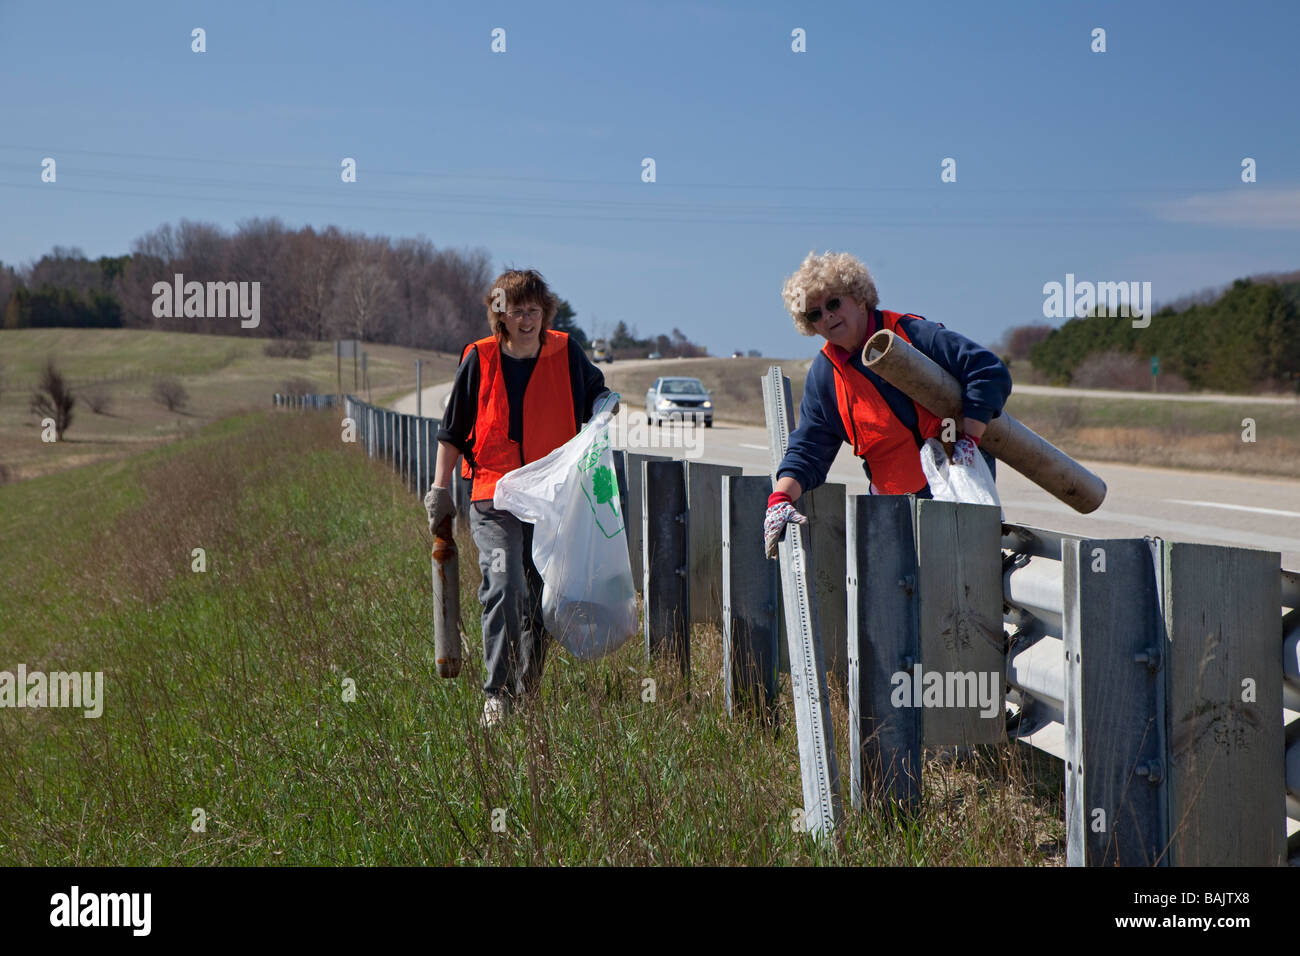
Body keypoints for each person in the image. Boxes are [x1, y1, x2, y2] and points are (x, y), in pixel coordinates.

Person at [424, 269, 618, 727]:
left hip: (550, 495)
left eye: (534, 310)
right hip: (494, 493)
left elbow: (597, 393)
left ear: (544, 313)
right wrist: (439, 490)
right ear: (500, 315)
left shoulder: (565, 351)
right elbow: (451, 431)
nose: (526, 319)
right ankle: (497, 694)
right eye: (516, 311)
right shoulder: (479, 357)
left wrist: (607, 404)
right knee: (505, 582)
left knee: (541, 596)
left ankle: (526, 693)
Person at [764, 250, 1012, 558]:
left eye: (833, 303)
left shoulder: (911, 334)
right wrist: (780, 500)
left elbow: (988, 372)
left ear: (859, 297)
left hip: (956, 498)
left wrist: (968, 441)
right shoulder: (825, 376)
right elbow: (809, 448)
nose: (826, 316)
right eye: (814, 314)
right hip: (890, 512)